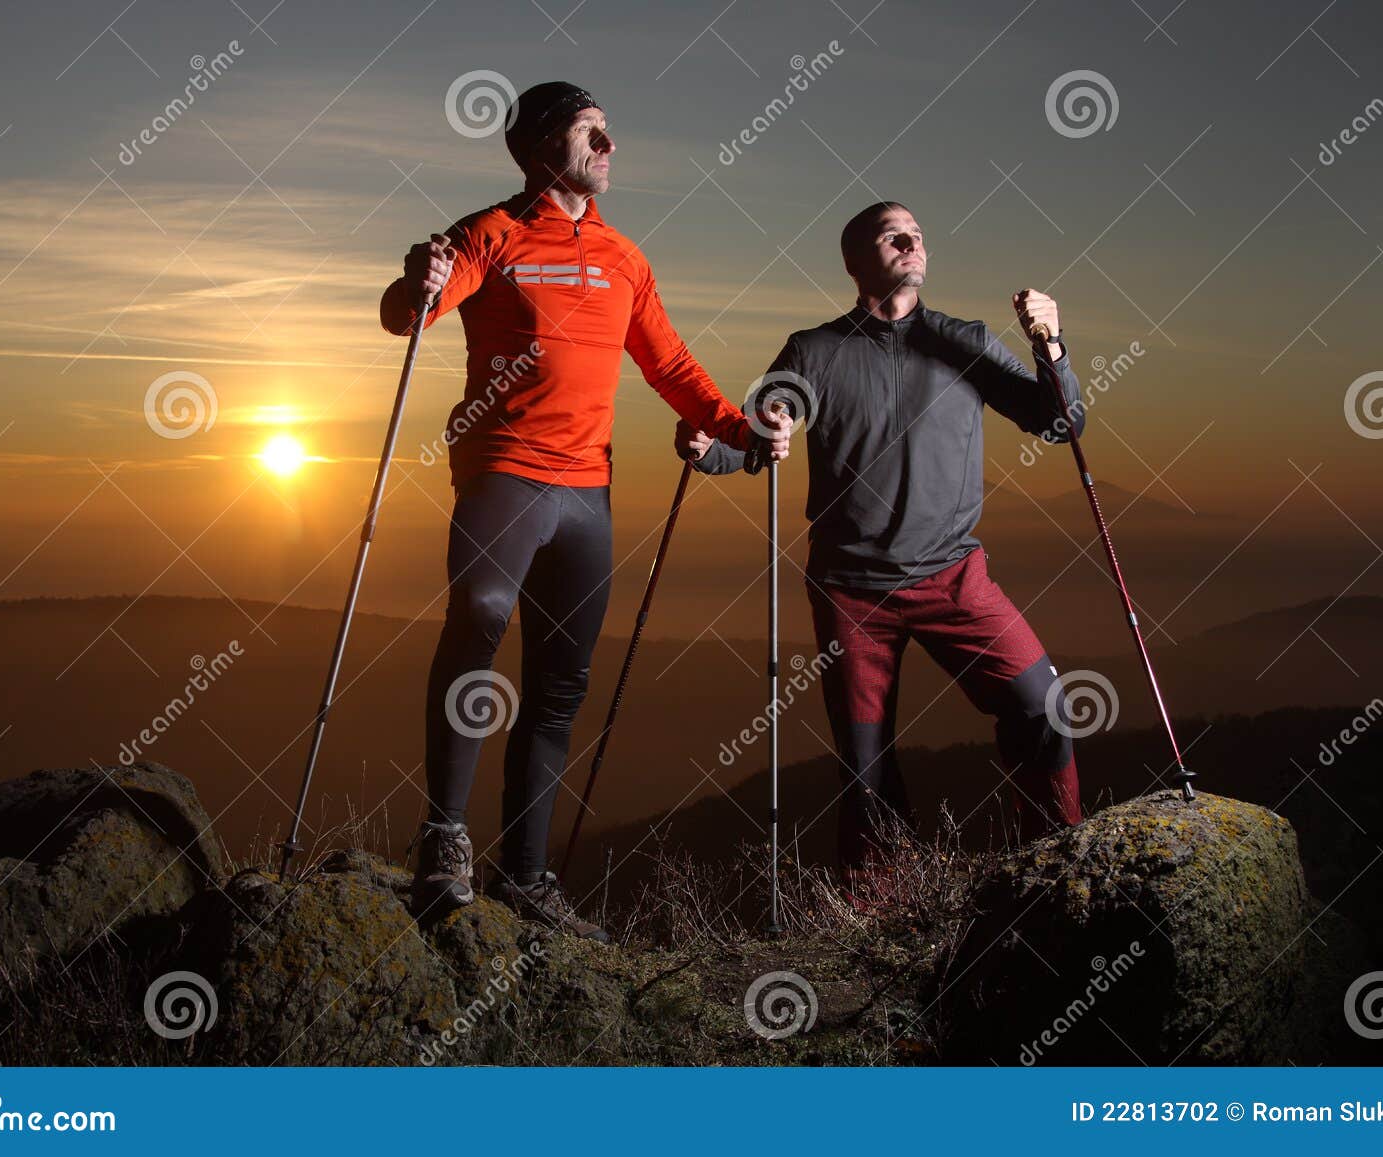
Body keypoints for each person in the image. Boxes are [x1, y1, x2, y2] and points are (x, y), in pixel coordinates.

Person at [380, 82, 791, 940]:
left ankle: (524, 877)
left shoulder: (624, 258)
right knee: (481, 615)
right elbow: (405, 314)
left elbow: (671, 365)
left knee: (561, 683)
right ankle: (442, 839)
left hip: (587, 494)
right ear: (539, 149)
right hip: (503, 473)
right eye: (588, 130)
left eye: (609, 129)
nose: (608, 142)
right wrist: (413, 281)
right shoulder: (489, 234)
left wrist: (743, 432)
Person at [677, 201, 1084, 901]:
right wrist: (707, 446)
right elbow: (754, 440)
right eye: (893, 234)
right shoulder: (814, 349)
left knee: (1043, 708)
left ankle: (1059, 873)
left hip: (956, 575)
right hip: (851, 590)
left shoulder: (968, 341)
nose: (912, 241)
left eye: (919, 234)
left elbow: (1061, 421)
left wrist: (1051, 345)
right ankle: (875, 911)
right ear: (856, 260)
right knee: (865, 766)